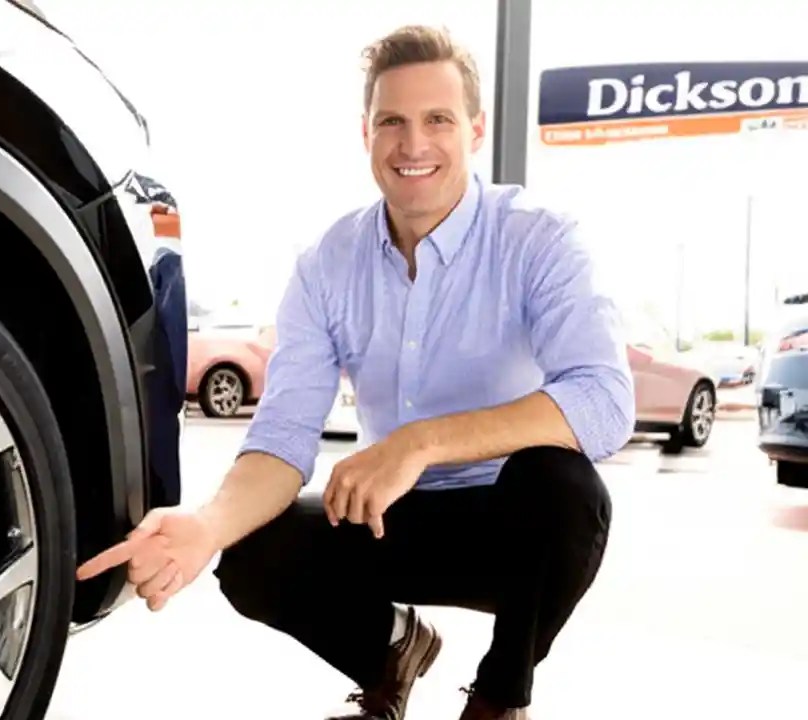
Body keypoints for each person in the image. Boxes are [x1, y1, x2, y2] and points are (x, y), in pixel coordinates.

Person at [76, 24, 632, 720]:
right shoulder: (327, 265)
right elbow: (282, 439)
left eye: (438, 120)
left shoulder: (538, 238)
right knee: (250, 552)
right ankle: (391, 652)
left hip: (516, 531)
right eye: (391, 122)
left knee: (566, 489)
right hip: (391, 521)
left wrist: (418, 443)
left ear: (476, 130)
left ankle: (498, 698)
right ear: (366, 133)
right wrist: (208, 526)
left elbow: (604, 401)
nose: (413, 144)